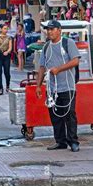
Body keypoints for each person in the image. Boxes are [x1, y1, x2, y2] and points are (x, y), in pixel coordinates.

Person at [36, 20, 81, 152]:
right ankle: (60, 141)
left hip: (68, 86)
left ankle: (73, 141)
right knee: (56, 115)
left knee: (70, 114)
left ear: (59, 30)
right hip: (52, 88)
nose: (49, 32)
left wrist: (59, 69)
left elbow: (75, 60)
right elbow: (42, 67)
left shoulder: (68, 43)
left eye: (52, 29)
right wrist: (38, 86)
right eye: (48, 30)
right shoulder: (46, 47)